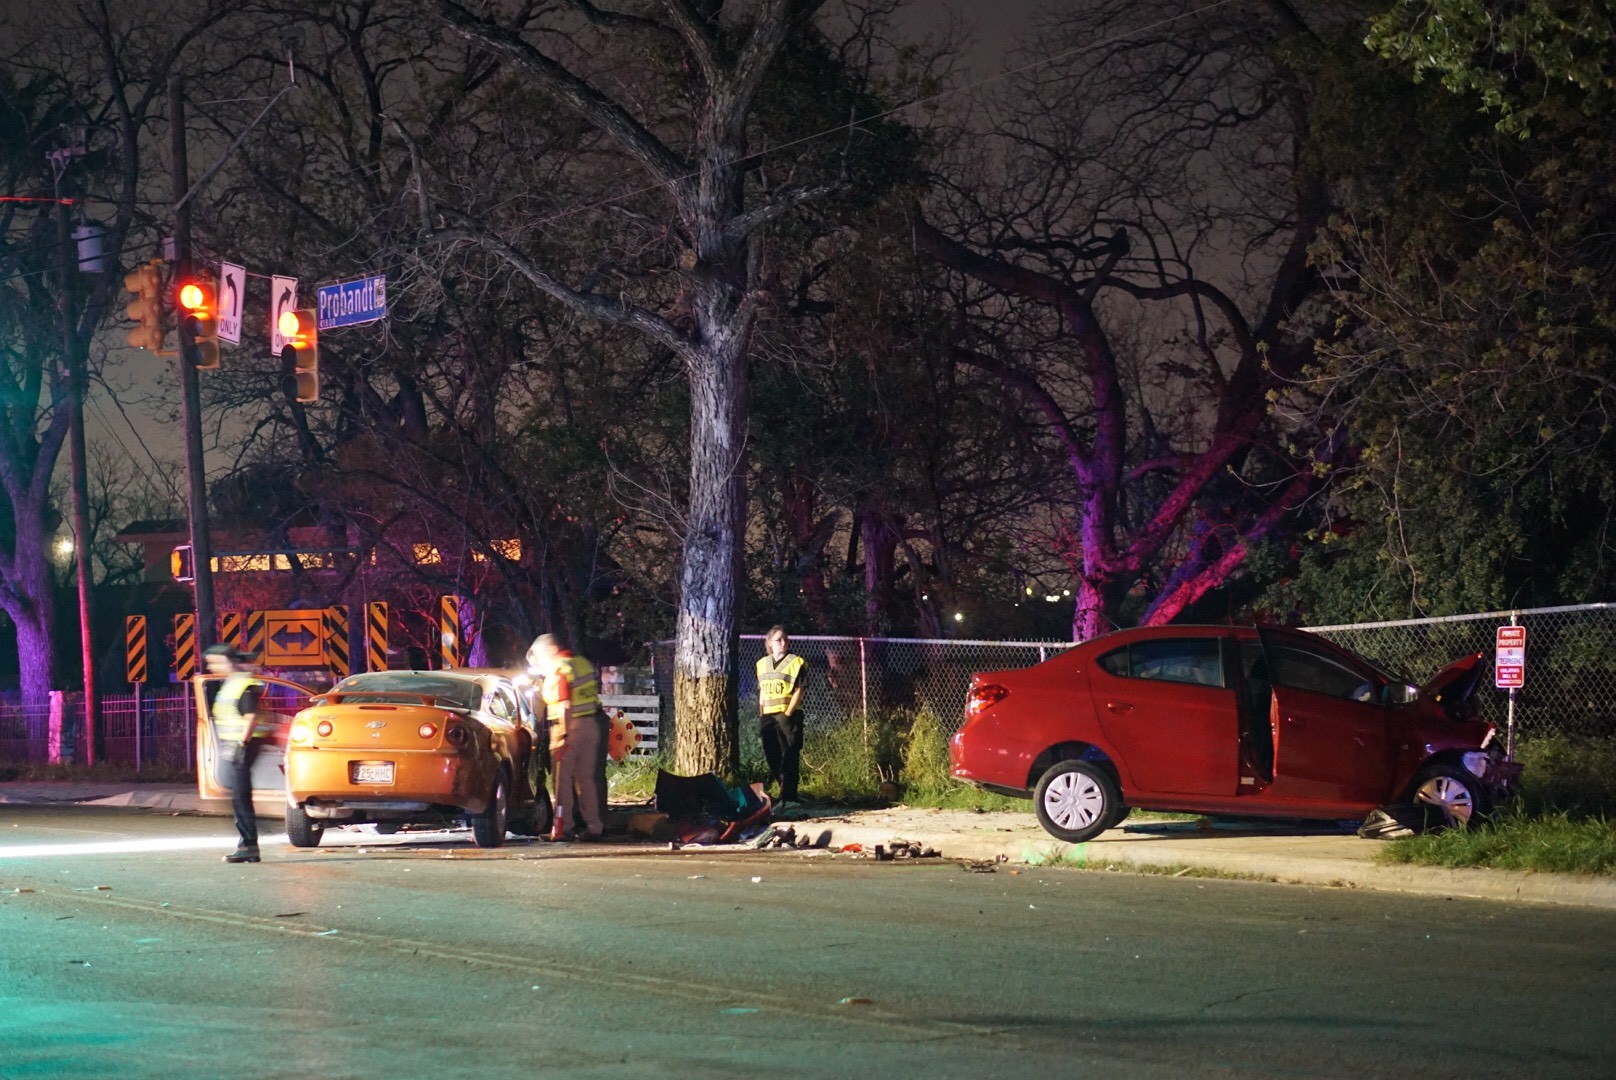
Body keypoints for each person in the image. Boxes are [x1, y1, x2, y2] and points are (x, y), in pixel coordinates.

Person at [528, 634, 606, 841]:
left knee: (561, 782)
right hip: (591, 724)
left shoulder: (559, 670)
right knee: (586, 781)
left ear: (551, 650)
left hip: (567, 727)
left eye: (541, 655)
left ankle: (562, 828)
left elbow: (564, 705)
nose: (541, 662)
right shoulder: (582, 664)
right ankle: (594, 826)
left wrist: (563, 735)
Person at [206, 644, 268, 864]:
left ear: (227, 661)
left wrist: (242, 744)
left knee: (240, 797)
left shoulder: (242, 684)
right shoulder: (232, 683)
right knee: (238, 796)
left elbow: (251, 717)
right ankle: (249, 842)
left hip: (243, 745)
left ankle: (249, 845)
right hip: (237, 745)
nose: (211, 666)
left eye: (214, 661)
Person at [756, 626, 807, 807]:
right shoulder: (762, 664)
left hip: (787, 716)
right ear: (770, 643)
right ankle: (783, 792)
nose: (783, 642)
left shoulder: (796, 662)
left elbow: (799, 690)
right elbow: (762, 689)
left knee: (789, 754)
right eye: (779, 640)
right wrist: (762, 712)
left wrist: (788, 713)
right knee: (772, 754)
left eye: (785, 639)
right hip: (768, 716)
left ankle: (790, 797)